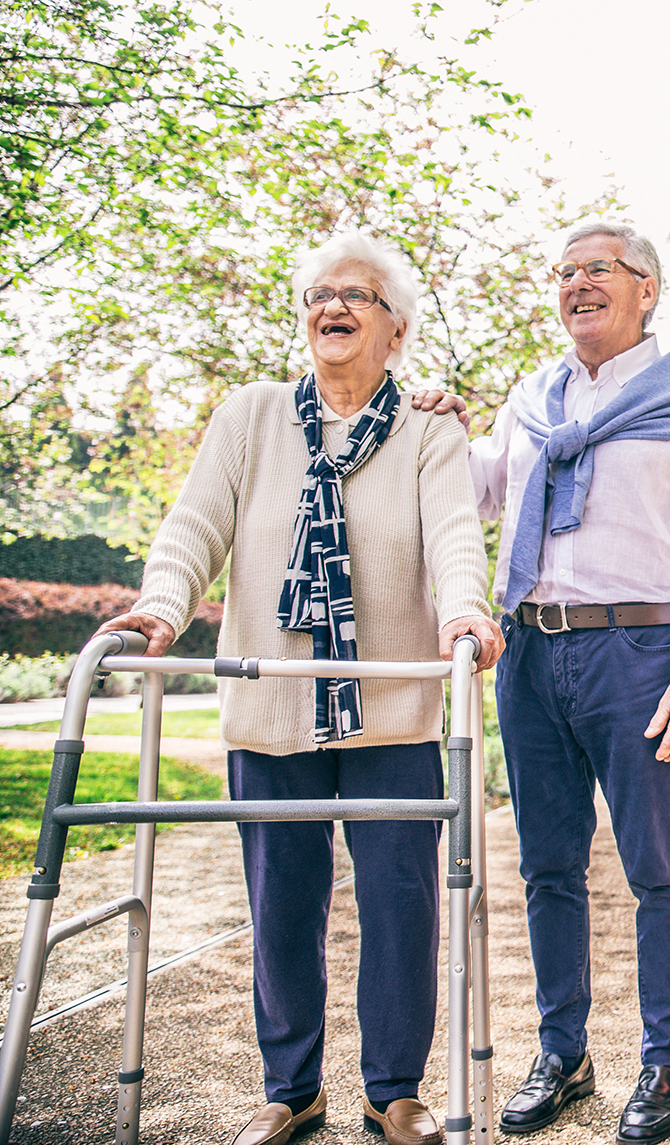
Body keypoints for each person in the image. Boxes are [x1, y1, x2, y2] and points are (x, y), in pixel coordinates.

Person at [98, 232, 503, 1145]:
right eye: (321, 293)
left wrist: (464, 614)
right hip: (273, 711)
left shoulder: (429, 428)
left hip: (389, 712)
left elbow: (453, 536)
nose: (335, 306)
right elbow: (194, 523)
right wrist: (160, 611)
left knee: (402, 910)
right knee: (282, 910)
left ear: (394, 330)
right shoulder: (250, 416)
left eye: (358, 294)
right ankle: (291, 1089)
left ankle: (393, 1090)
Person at [461, 222, 670, 1143]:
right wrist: (424, 418)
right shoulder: (532, 399)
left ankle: (663, 1064)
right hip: (533, 652)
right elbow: (476, 487)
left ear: (646, 289)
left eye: (599, 269)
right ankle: (565, 1054)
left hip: (641, 655)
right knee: (547, 866)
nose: (578, 284)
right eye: (566, 272)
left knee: (655, 868)